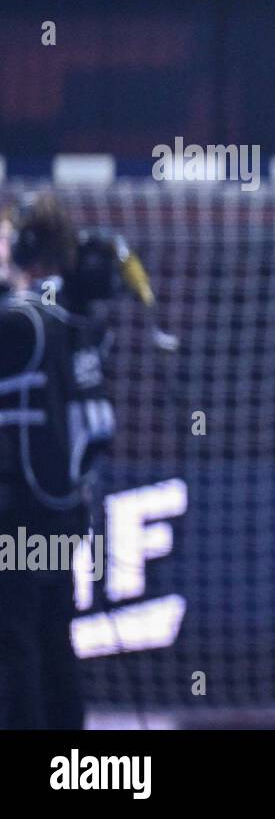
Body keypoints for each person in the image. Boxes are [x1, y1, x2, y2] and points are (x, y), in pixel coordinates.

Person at [0, 193, 116, 729]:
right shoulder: (80, 322)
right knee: (51, 635)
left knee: (17, 641)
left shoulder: (24, 322)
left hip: (24, 507)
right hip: (66, 506)